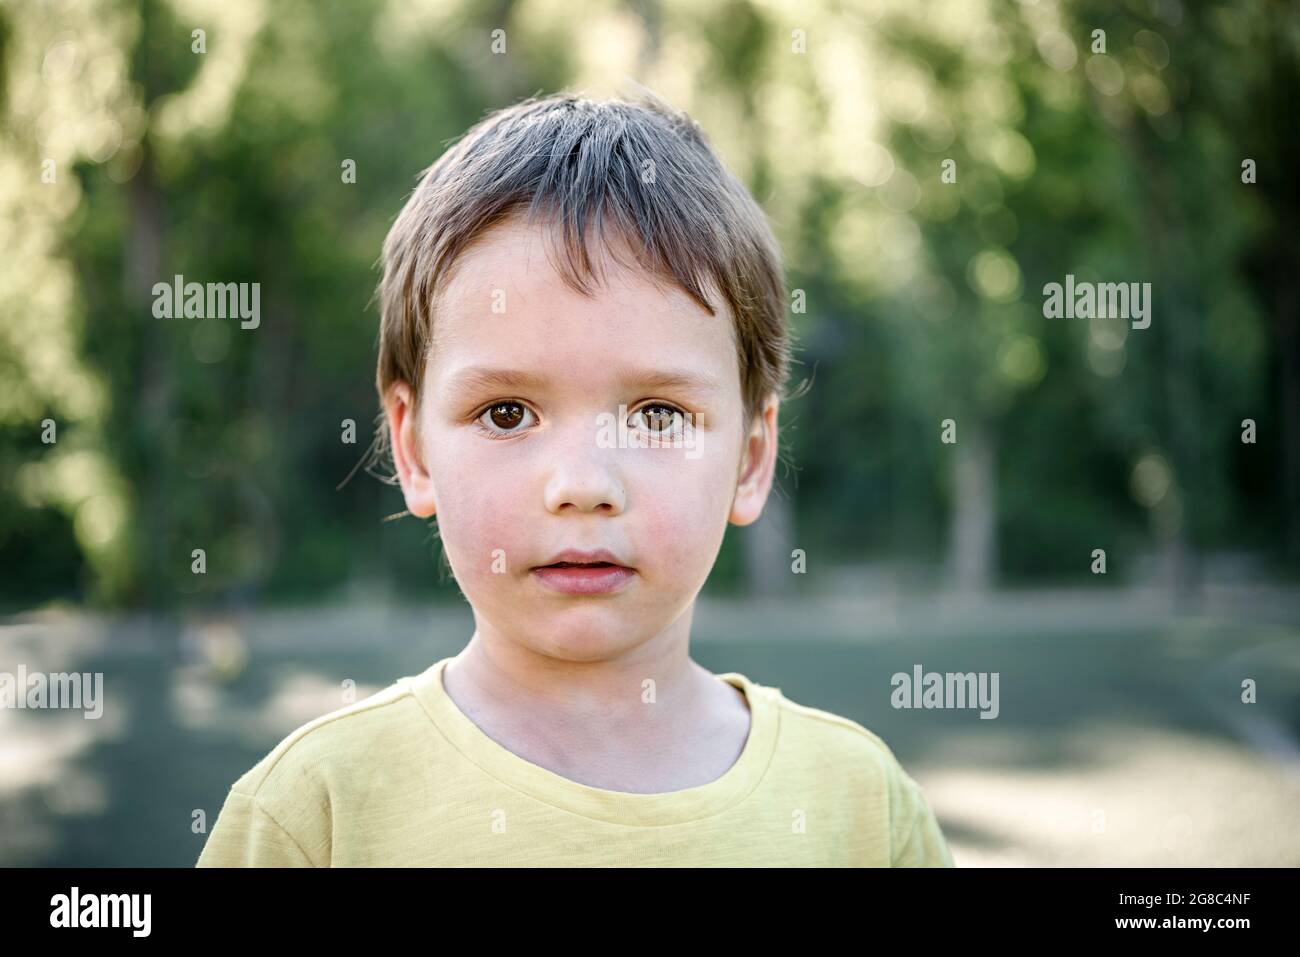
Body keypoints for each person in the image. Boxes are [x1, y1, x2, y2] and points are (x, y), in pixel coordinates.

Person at [196, 89, 954, 867]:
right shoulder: (315, 813)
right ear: (414, 451)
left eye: (657, 415)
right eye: (506, 412)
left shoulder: (860, 808)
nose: (583, 484)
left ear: (750, 460)